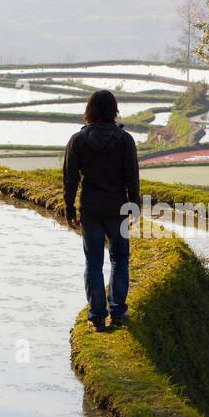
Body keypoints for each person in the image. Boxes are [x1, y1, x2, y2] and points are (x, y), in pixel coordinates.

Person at [62, 90, 140, 331]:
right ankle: (117, 311)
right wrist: (134, 204)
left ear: (90, 111)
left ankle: (96, 315)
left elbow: (69, 178)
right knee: (119, 259)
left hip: (91, 209)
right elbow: (132, 177)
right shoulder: (124, 140)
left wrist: (69, 207)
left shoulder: (78, 140)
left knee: (94, 262)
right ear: (114, 110)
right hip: (117, 207)